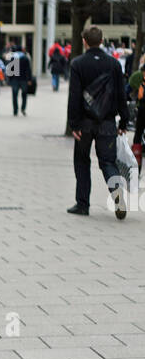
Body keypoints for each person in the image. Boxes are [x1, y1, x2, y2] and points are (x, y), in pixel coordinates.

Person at [67, 25, 128, 219]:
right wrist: (124, 122)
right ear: (102, 41)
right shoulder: (114, 64)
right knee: (108, 162)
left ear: (84, 41)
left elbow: (74, 95)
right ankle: (117, 195)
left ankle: (82, 204)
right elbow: (121, 95)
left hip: (85, 123)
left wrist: (73, 124)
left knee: (82, 161)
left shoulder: (78, 64)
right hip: (107, 123)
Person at [6, 39, 33, 115]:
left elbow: (9, 70)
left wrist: (9, 79)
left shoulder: (13, 58)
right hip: (24, 79)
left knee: (14, 95)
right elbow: (28, 70)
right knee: (24, 94)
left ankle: (15, 110)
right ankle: (23, 108)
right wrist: (29, 79)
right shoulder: (25, 58)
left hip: (15, 79)